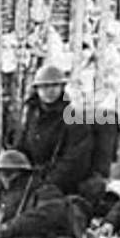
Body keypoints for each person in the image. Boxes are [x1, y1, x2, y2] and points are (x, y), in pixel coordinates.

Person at [8, 64, 93, 196]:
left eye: (55, 86)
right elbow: (21, 146)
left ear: (62, 88)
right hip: (31, 179)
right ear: (37, 89)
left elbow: (74, 163)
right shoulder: (31, 114)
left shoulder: (74, 119)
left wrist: (46, 183)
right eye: (44, 86)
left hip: (59, 186)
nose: (50, 91)